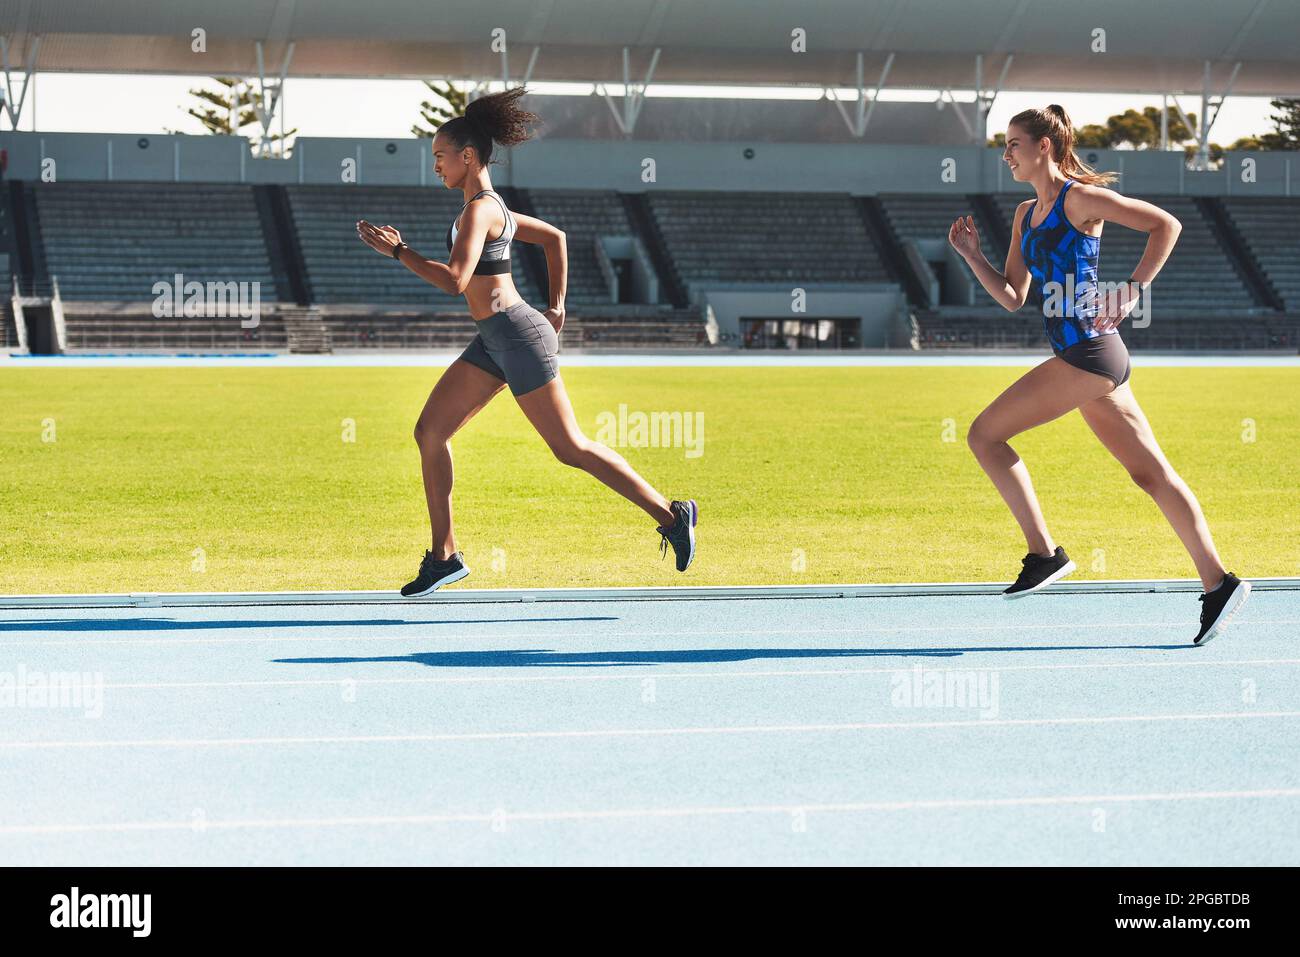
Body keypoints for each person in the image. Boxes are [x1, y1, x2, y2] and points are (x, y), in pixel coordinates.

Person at [355, 87, 698, 596]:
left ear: (467, 156)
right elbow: (555, 239)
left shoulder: (481, 211)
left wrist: (399, 251)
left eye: (440, 157)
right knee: (430, 432)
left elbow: (454, 280)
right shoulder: (491, 208)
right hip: (495, 340)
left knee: (570, 447)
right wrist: (557, 305)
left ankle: (671, 514)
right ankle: (444, 555)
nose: (435, 168)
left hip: (516, 336)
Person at [947, 104, 1249, 645]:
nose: (1007, 154)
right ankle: (1219, 583)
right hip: (1091, 357)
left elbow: (1166, 225)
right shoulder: (1023, 214)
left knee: (984, 435)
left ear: (1044, 146)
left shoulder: (1079, 199)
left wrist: (1132, 287)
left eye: (1015, 143)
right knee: (1150, 475)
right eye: (1005, 145)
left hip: (1088, 352)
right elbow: (1014, 297)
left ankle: (1044, 554)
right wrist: (972, 255)